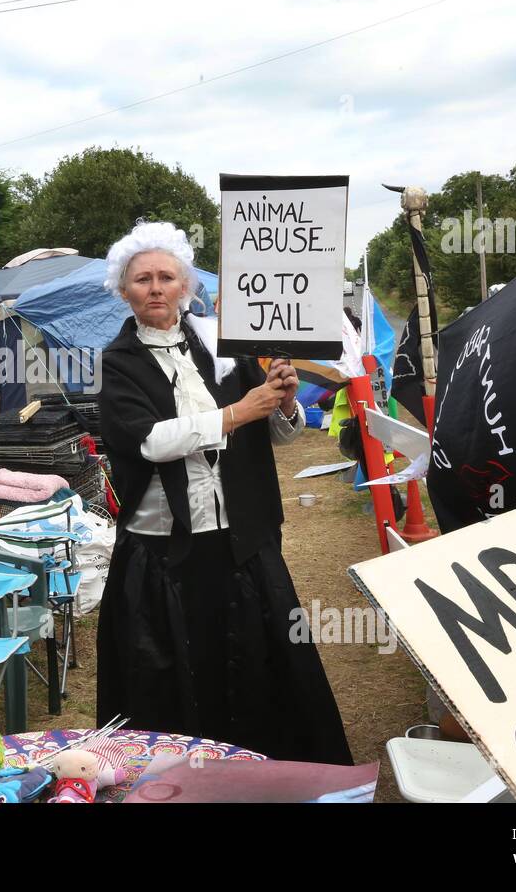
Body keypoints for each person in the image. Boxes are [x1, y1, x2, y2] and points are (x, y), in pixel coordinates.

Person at [95, 221, 352, 764]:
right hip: (166, 549)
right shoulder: (117, 364)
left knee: (260, 666)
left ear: (186, 286)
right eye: (143, 279)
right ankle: (179, 780)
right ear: (125, 291)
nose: (157, 287)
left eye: (168, 277)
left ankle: (263, 771)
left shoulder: (224, 346)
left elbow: (281, 433)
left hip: (241, 540)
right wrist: (240, 411)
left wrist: (281, 400)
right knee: (178, 672)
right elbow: (150, 441)